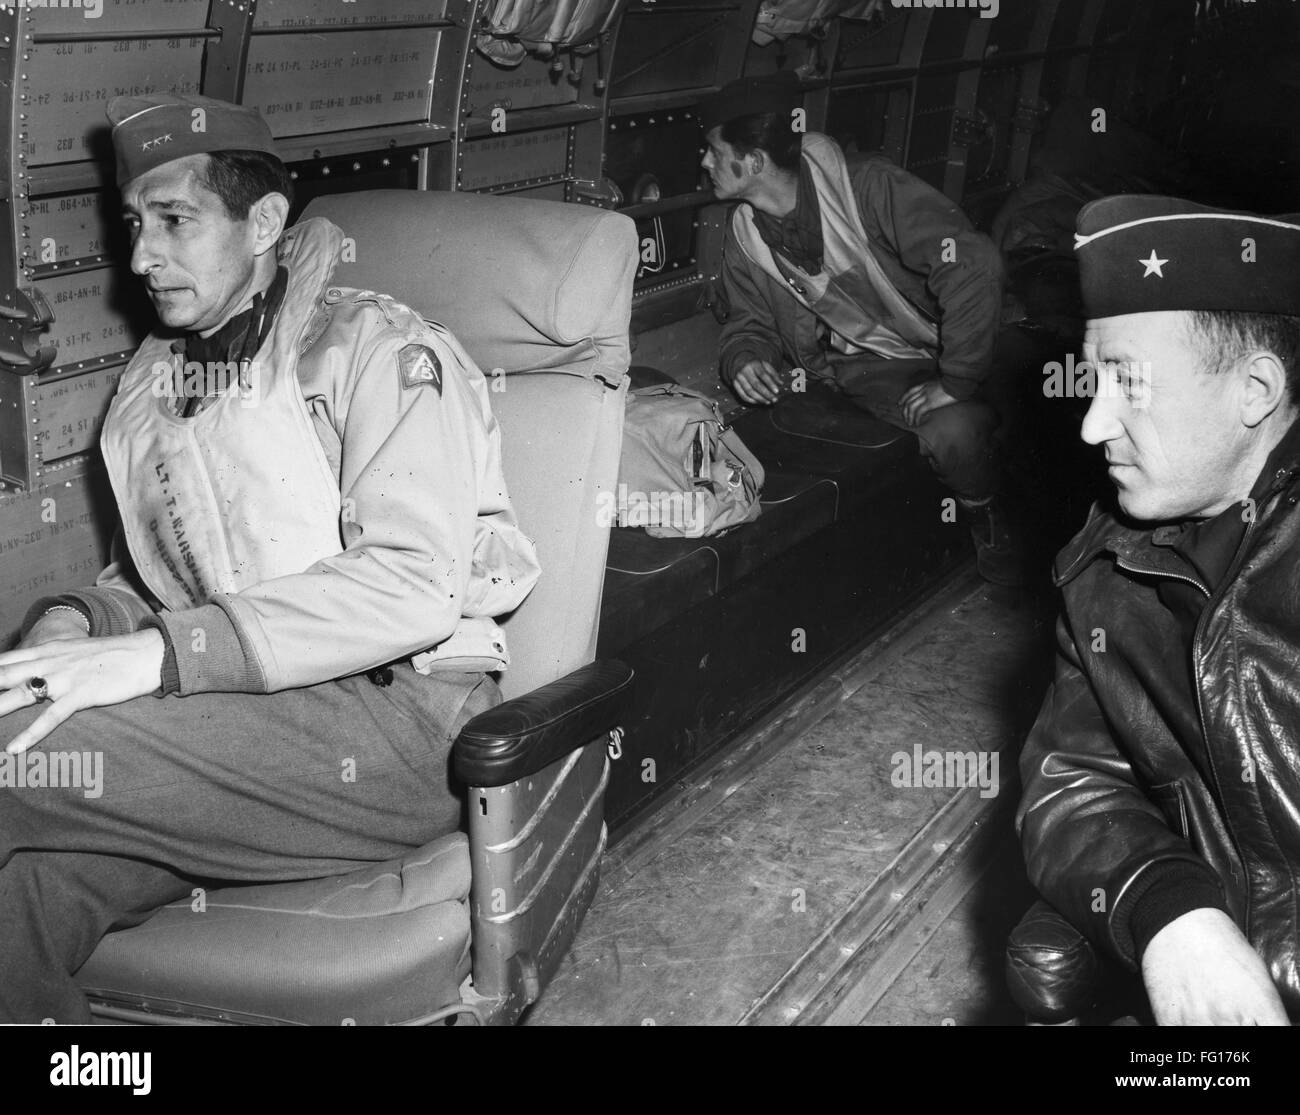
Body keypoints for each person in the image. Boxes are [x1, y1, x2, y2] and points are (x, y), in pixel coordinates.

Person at [0, 93, 540, 1022]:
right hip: (241, 729)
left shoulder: (381, 350)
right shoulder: (152, 390)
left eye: (175, 221)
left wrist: (166, 656)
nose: (140, 257)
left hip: (395, 727)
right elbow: (155, 578)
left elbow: (412, 582)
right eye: (136, 224)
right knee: (22, 901)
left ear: (264, 223)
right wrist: (79, 625)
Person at [1017, 194, 1300, 1025]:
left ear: (1255, 390)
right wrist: (1169, 909)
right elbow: (1071, 777)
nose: (1093, 422)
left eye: (1128, 384)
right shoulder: (1109, 564)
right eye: (1093, 378)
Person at [701, 73, 1020, 584]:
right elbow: (749, 321)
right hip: (865, 369)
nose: (705, 164)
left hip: (953, 342)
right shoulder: (745, 235)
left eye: (714, 152)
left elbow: (973, 263)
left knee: (954, 430)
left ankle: (990, 519)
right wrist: (746, 359)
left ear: (754, 162)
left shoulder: (868, 187)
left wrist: (954, 380)